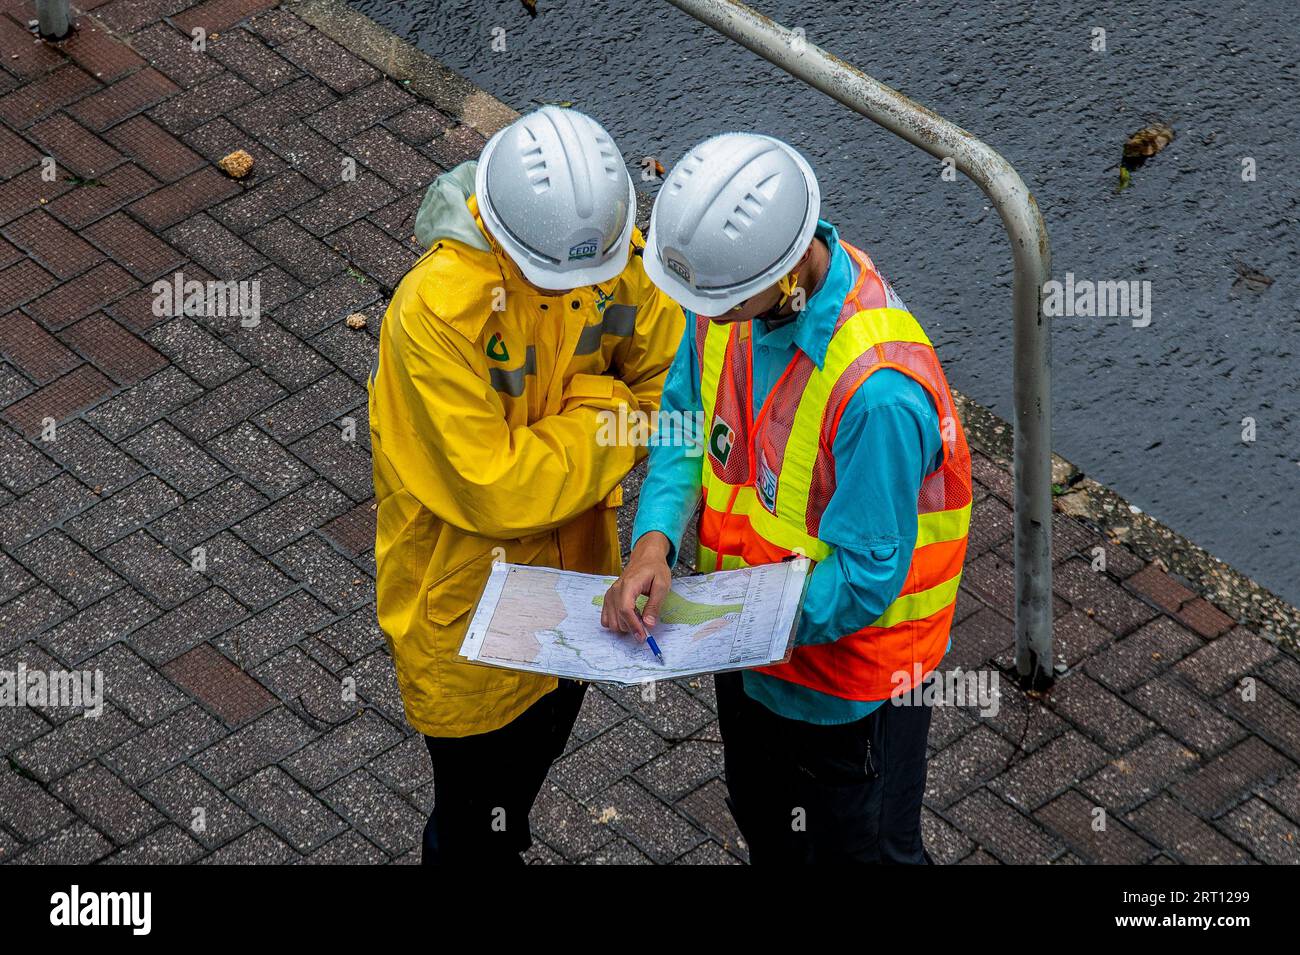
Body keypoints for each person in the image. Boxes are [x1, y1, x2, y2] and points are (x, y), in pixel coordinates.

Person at [602, 133, 971, 863]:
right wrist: (655, 540)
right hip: (753, 661)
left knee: (862, 854)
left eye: (723, 303)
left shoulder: (878, 395)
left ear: (788, 271)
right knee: (768, 826)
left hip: (851, 695)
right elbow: (683, 422)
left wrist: (736, 623)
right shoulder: (732, 293)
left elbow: (867, 576)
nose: (708, 317)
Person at [369, 107, 683, 864]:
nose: (587, 288)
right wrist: (609, 408)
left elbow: (673, 386)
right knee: (474, 828)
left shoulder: (611, 255)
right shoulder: (435, 313)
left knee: (513, 798)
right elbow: (497, 486)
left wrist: (624, 421)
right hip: (465, 622)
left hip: (576, 595)